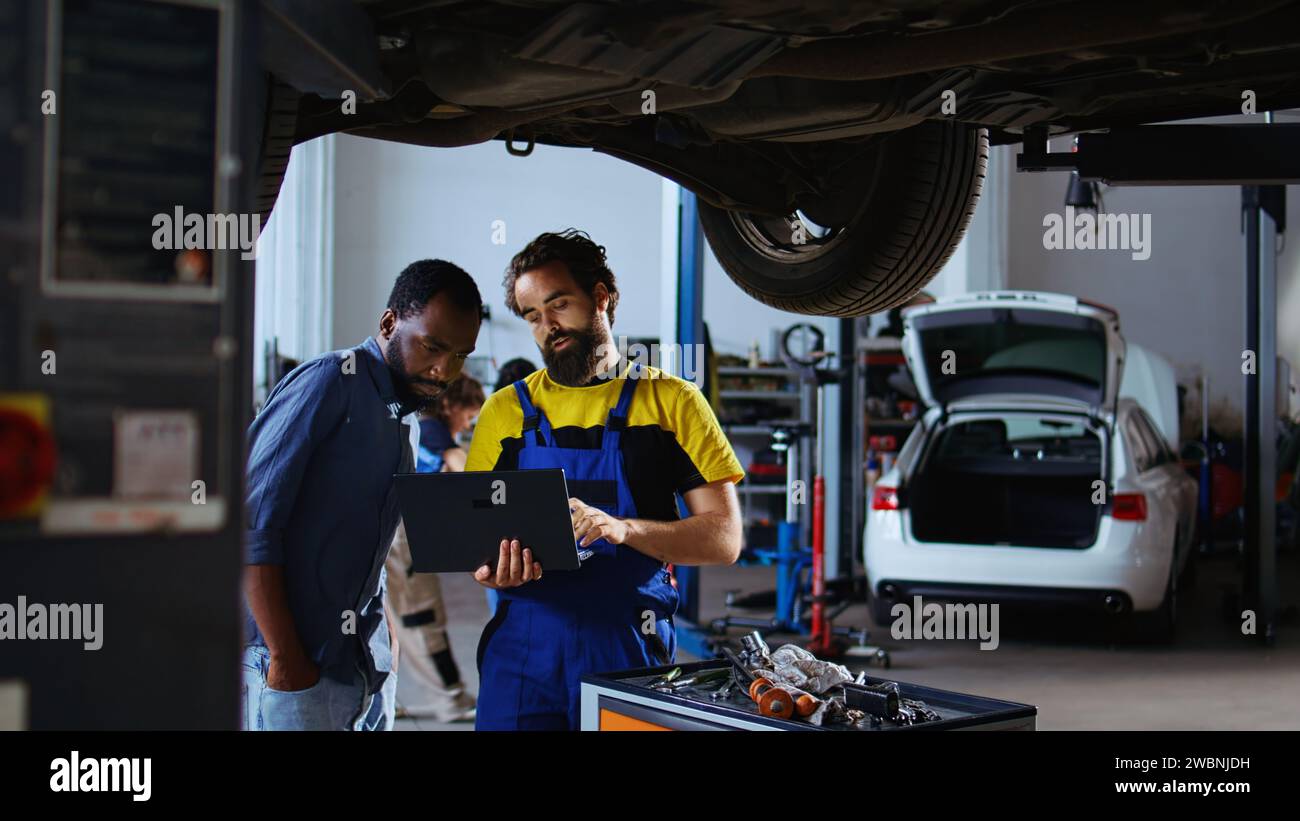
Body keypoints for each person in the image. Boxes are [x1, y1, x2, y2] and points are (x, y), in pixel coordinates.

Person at [467, 229, 744, 731]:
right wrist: (488, 569)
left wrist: (623, 529)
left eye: (559, 305)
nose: (548, 326)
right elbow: (474, 540)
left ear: (601, 297)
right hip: (524, 650)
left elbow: (724, 539)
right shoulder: (505, 411)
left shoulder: (673, 403)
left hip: (628, 646)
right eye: (533, 317)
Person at [241, 259, 482, 731]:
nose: (443, 370)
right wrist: (285, 656)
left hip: (362, 663)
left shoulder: (398, 415)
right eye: (432, 347)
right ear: (390, 322)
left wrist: (382, 635)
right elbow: (250, 531)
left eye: (459, 355)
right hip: (297, 668)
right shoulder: (329, 383)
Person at [384, 376, 485, 723]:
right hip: (401, 535)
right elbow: (468, 473)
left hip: (391, 530)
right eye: (469, 417)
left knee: (384, 621)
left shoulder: (415, 425)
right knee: (420, 615)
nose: (467, 425)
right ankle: (451, 701)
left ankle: (379, 696)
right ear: (451, 406)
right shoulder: (434, 431)